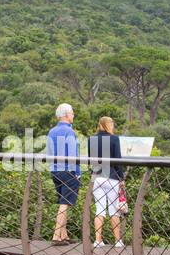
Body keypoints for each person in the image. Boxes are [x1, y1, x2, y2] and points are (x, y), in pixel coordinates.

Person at [87, 116, 126, 247]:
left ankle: (98, 240)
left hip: (97, 177)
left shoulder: (91, 139)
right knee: (114, 210)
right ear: (109, 125)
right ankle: (117, 241)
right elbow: (117, 160)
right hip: (111, 176)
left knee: (100, 209)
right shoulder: (114, 139)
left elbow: (90, 159)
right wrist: (121, 178)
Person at [46, 103, 81, 245]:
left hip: (55, 170)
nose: (73, 115)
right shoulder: (69, 132)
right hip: (68, 170)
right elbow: (74, 154)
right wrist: (77, 173)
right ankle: (56, 236)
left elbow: (49, 151)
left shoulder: (52, 131)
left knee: (63, 201)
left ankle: (64, 234)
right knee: (65, 203)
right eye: (72, 112)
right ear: (66, 115)